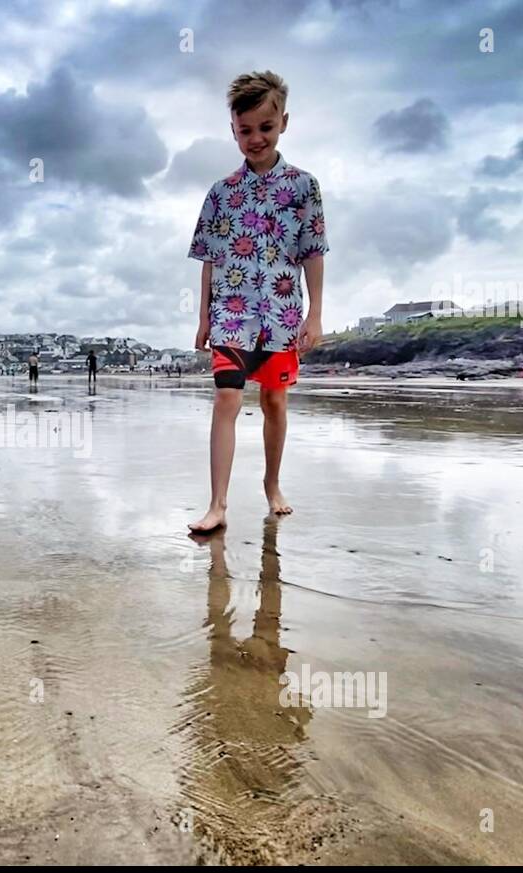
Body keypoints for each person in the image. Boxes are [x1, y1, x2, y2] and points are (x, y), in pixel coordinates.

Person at [186, 70, 328, 531]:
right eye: (245, 130)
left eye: (264, 128)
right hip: (231, 313)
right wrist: (204, 315)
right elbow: (208, 257)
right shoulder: (221, 193)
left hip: (282, 314)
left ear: (283, 123)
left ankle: (272, 484)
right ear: (233, 130)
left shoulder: (304, 187)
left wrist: (315, 314)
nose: (255, 138)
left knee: (273, 403)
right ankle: (218, 505)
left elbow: (312, 253)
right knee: (226, 399)